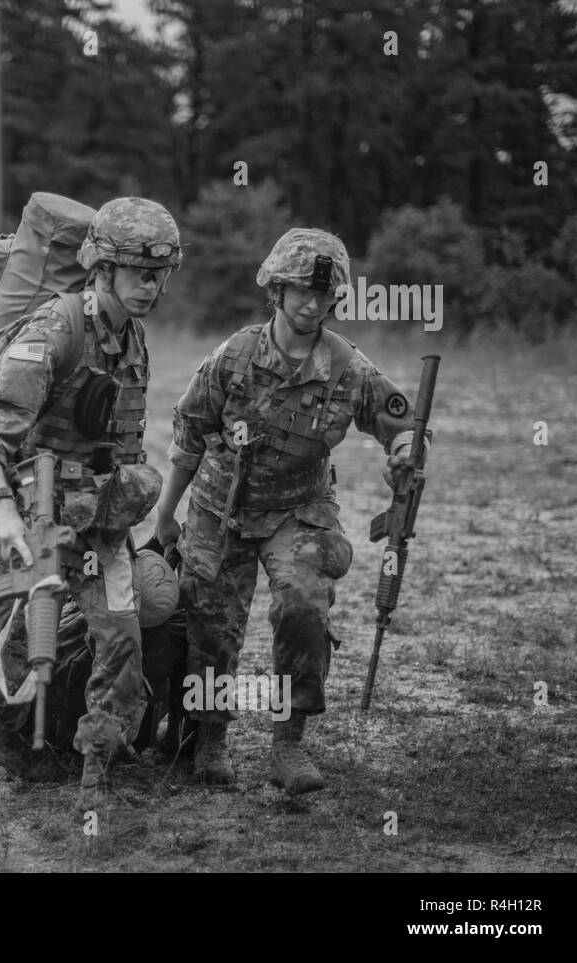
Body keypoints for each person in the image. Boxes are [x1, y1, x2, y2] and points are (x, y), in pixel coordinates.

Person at [151, 228, 430, 794]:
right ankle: (209, 738)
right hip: (218, 507)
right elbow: (189, 439)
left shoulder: (349, 367)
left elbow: (406, 429)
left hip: (298, 511)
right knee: (211, 626)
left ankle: (290, 742)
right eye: (300, 290)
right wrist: (163, 516)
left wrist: (405, 456)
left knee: (303, 606)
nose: (311, 304)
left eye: (323, 295)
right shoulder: (234, 355)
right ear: (275, 290)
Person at [0, 197, 183, 812]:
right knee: (34, 634)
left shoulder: (133, 339)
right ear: (101, 268)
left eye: (158, 274)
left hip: (97, 516)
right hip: (31, 511)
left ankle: (96, 770)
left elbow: (119, 448)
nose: (150, 286)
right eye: (137, 272)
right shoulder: (56, 328)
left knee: (124, 633)